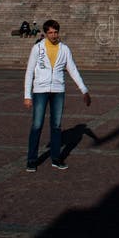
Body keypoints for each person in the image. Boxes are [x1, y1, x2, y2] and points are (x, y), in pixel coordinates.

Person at [24, 19, 91, 173]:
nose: (54, 35)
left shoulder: (64, 49)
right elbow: (29, 71)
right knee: (37, 125)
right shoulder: (37, 48)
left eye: (56, 32)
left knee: (56, 126)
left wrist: (84, 90)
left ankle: (56, 158)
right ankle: (32, 160)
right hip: (40, 91)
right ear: (46, 33)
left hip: (58, 90)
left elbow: (73, 69)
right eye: (50, 33)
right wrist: (27, 95)